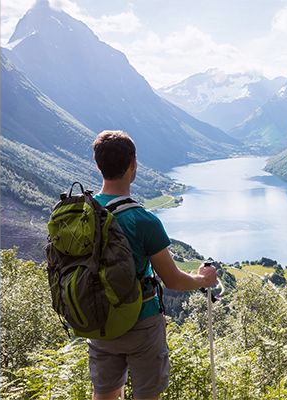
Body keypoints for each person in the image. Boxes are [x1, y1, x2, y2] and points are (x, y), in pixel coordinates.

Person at [88, 130, 218, 400]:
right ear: (133, 164)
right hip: (141, 321)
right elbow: (173, 280)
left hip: (98, 318)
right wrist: (202, 280)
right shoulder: (143, 220)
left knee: (105, 393)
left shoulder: (84, 213)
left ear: (97, 163)